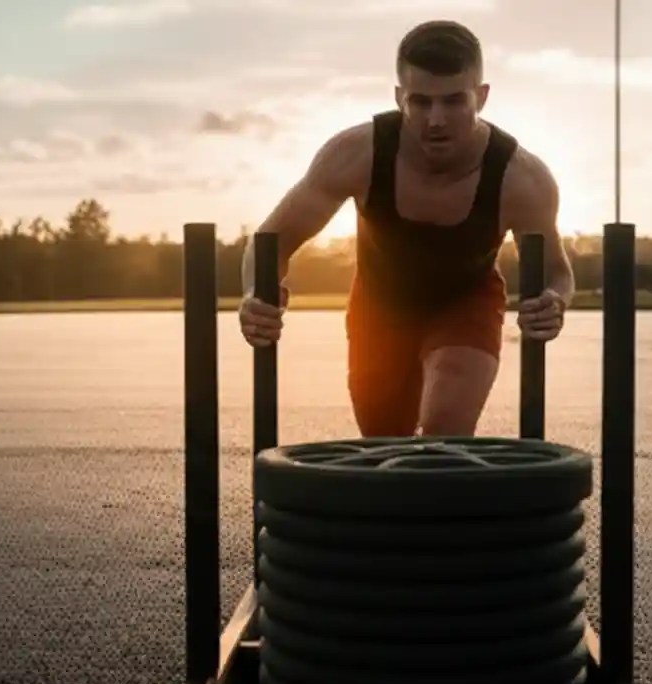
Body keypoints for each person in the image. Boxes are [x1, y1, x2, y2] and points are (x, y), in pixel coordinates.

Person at [238, 19, 574, 438]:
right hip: (379, 308)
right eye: (421, 101)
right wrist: (256, 294)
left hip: (465, 303)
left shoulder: (522, 178)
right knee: (385, 441)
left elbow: (557, 273)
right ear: (400, 98)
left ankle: (446, 492)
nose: (436, 119)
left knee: (444, 430)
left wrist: (554, 301)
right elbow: (271, 241)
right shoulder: (355, 154)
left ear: (482, 97)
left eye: (453, 101)